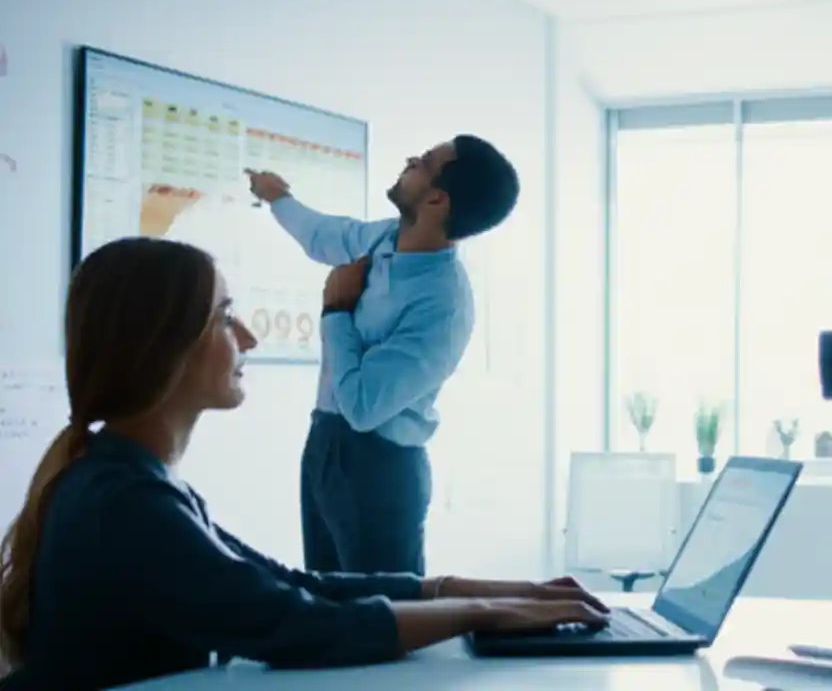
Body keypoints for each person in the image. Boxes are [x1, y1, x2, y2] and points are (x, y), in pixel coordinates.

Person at [0, 238, 607, 690]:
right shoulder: (124, 501)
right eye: (223, 315)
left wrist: (501, 591)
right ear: (167, 343)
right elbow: (298, 624)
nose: (248, 337)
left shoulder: (126, 479)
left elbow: (295, 584)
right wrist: (489, 614)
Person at [244, 134, 518, 576]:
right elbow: (324, 236)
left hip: (379, 468)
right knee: (326, 607)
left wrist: (336, 311)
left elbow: (363, 406)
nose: (411, 158)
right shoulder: (385, 238)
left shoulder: (442, 305)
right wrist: (278, 197)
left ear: (436, 200)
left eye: (424, 162)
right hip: (325, 443)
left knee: (382, 622)